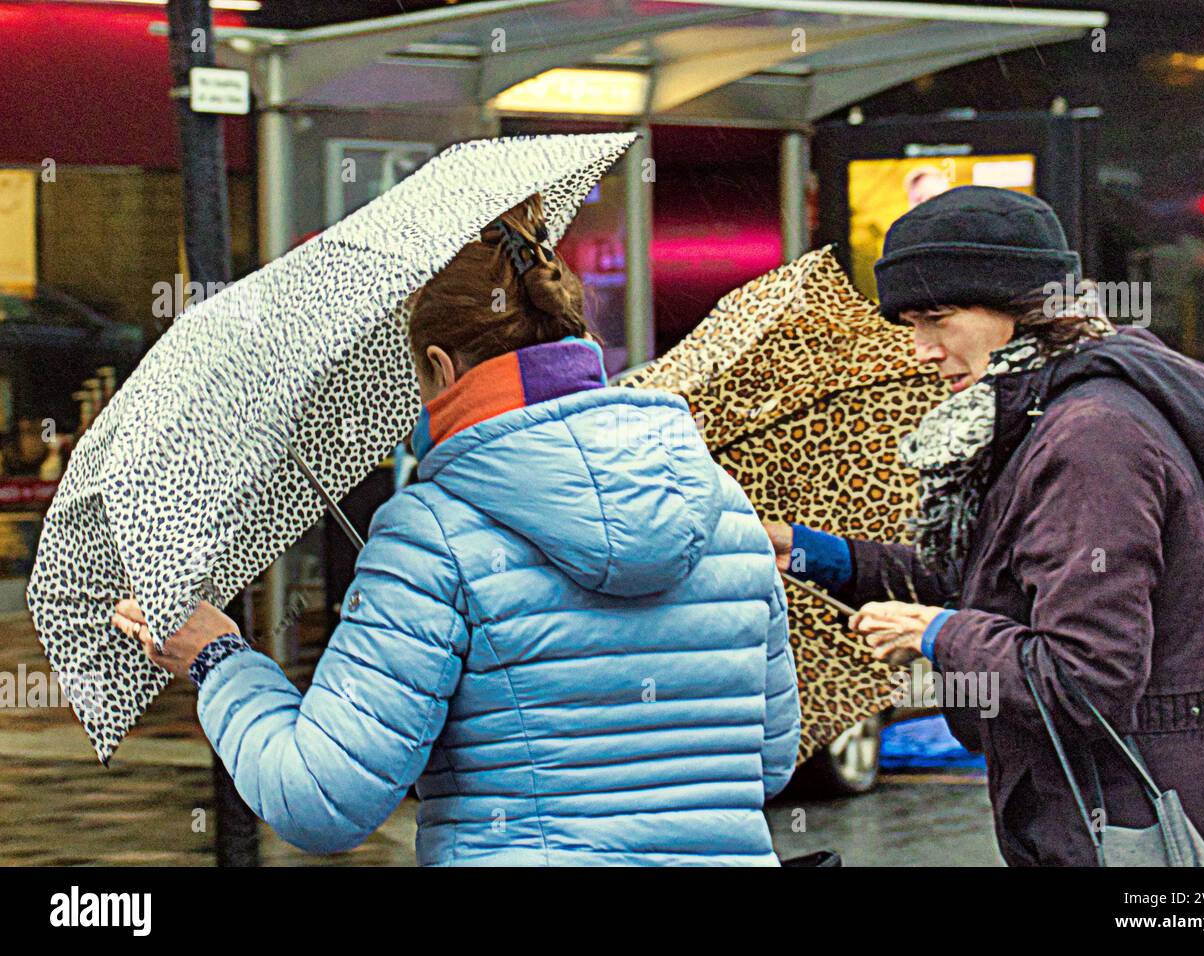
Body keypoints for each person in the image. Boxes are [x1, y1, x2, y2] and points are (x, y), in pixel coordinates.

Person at [113, 194, 800, 866]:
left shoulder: (429, 535)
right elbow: (766, 762)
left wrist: (219, 661)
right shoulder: (724, 506)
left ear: (441, 367)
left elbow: (321, 799)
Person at [769, 186, 1204, 866]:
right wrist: (813, 554)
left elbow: (1085, 678)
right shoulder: (1044, 413)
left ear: (1021, 309)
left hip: (1156, 825)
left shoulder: (1090, 437)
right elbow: (991, 579)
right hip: (1131, 809)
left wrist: (937, 632)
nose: (921, 349)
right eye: (910, 324)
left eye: (939, 318)